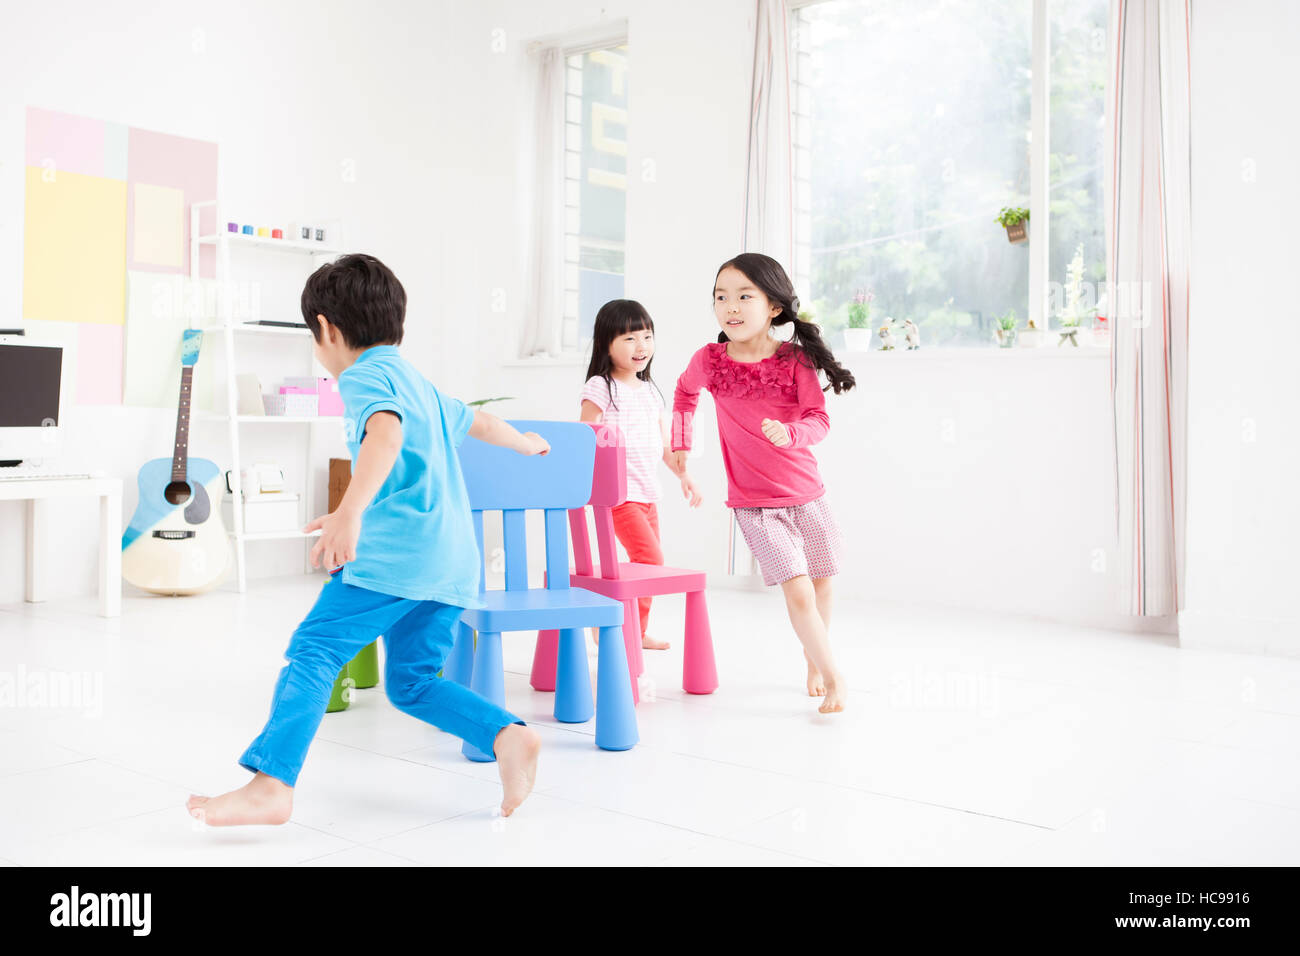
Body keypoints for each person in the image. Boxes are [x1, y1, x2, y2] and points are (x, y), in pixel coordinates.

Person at [186, 254, 546, 825]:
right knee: (411, 683)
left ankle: (271, 784)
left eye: (313, 335)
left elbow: (385, 433)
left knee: (315, 651)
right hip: (452, 562)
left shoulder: (362, 377)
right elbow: (478, 422)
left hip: (397, 558)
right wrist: (525, 443)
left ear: (326, 328)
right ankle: (506, 735)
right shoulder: (418, 382)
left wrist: (349, 512)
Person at [671, 253, 855, 713]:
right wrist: (680, 442)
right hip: (754, 503)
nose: (730, 307)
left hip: (807, 494)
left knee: (823, 582)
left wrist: (791, 433)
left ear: (773, 306)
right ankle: (835, 678)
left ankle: (815, 661)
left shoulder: (795, 361)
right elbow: (684, 392)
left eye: (743, 296)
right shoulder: (710, 361)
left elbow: (819, 420)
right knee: (796, 587)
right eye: (721, 297)